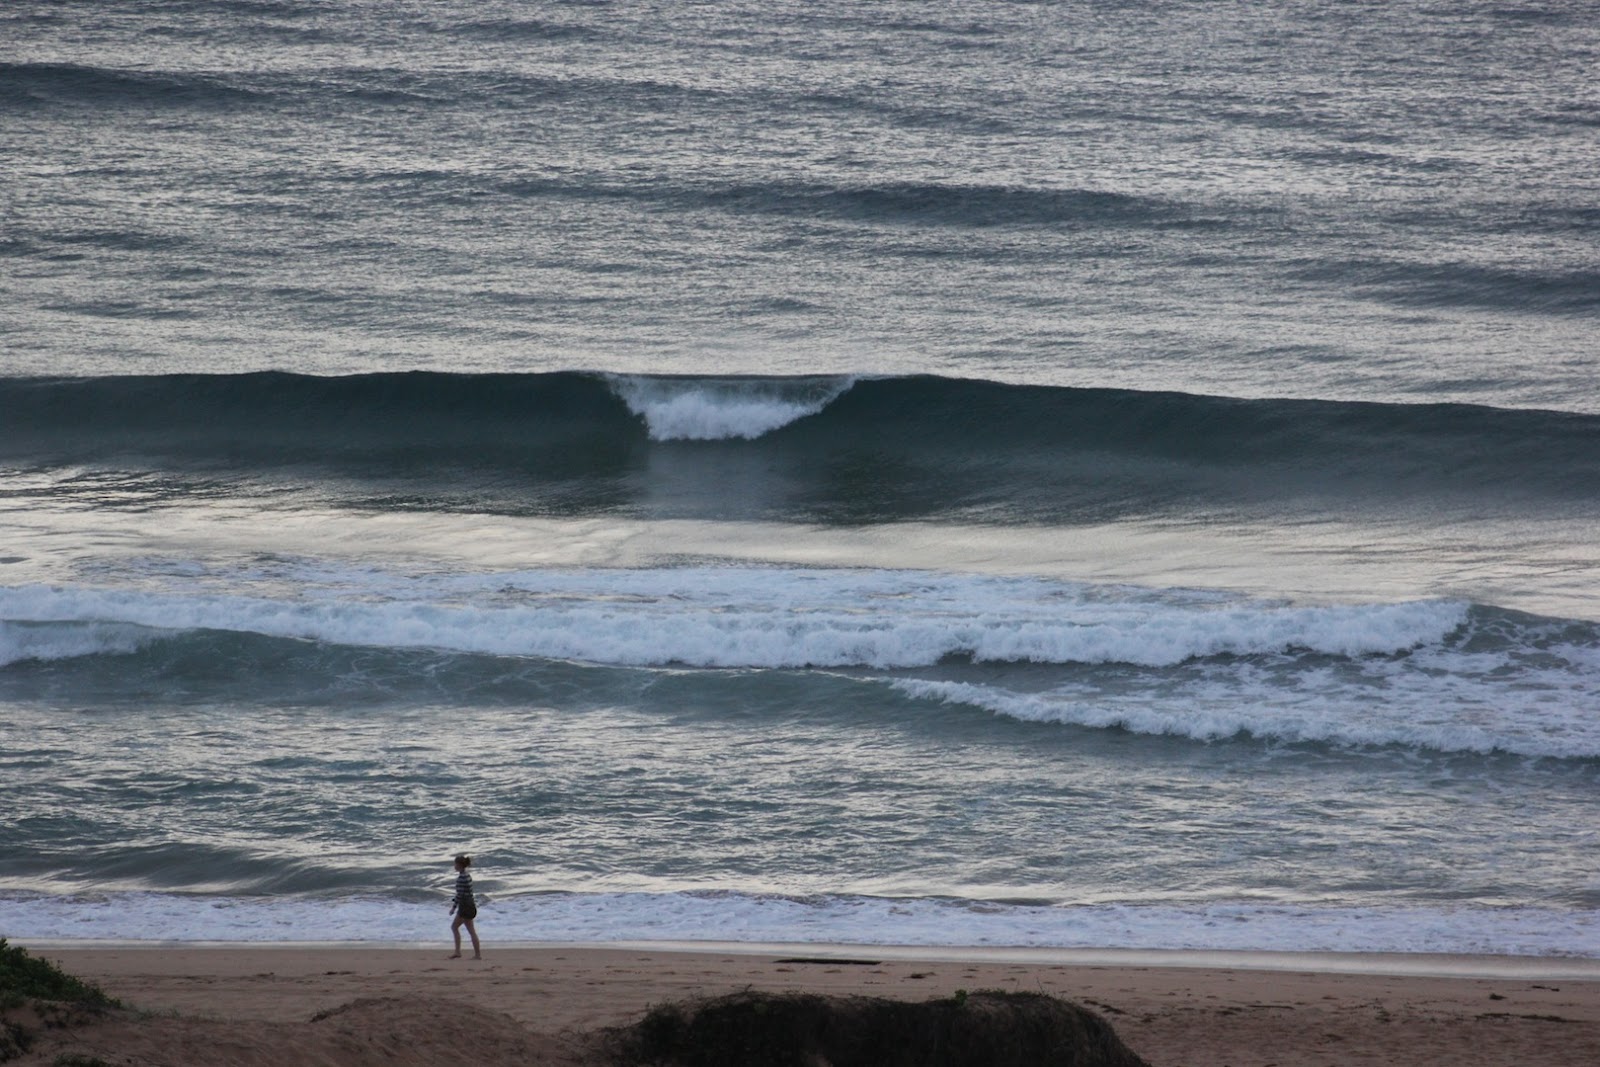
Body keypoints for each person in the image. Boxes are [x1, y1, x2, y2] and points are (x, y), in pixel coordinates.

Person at [448, 853, 481, 959]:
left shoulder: (461, 878)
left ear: (459, 865)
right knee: (471, 930)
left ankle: (458, 952)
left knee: (454, 927)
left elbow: (459, 895)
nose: (454, 866)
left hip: (465, 907)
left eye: (455, 864)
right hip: (470, 904)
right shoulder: (467, 875)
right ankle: (476, 954)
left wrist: (453, 908)